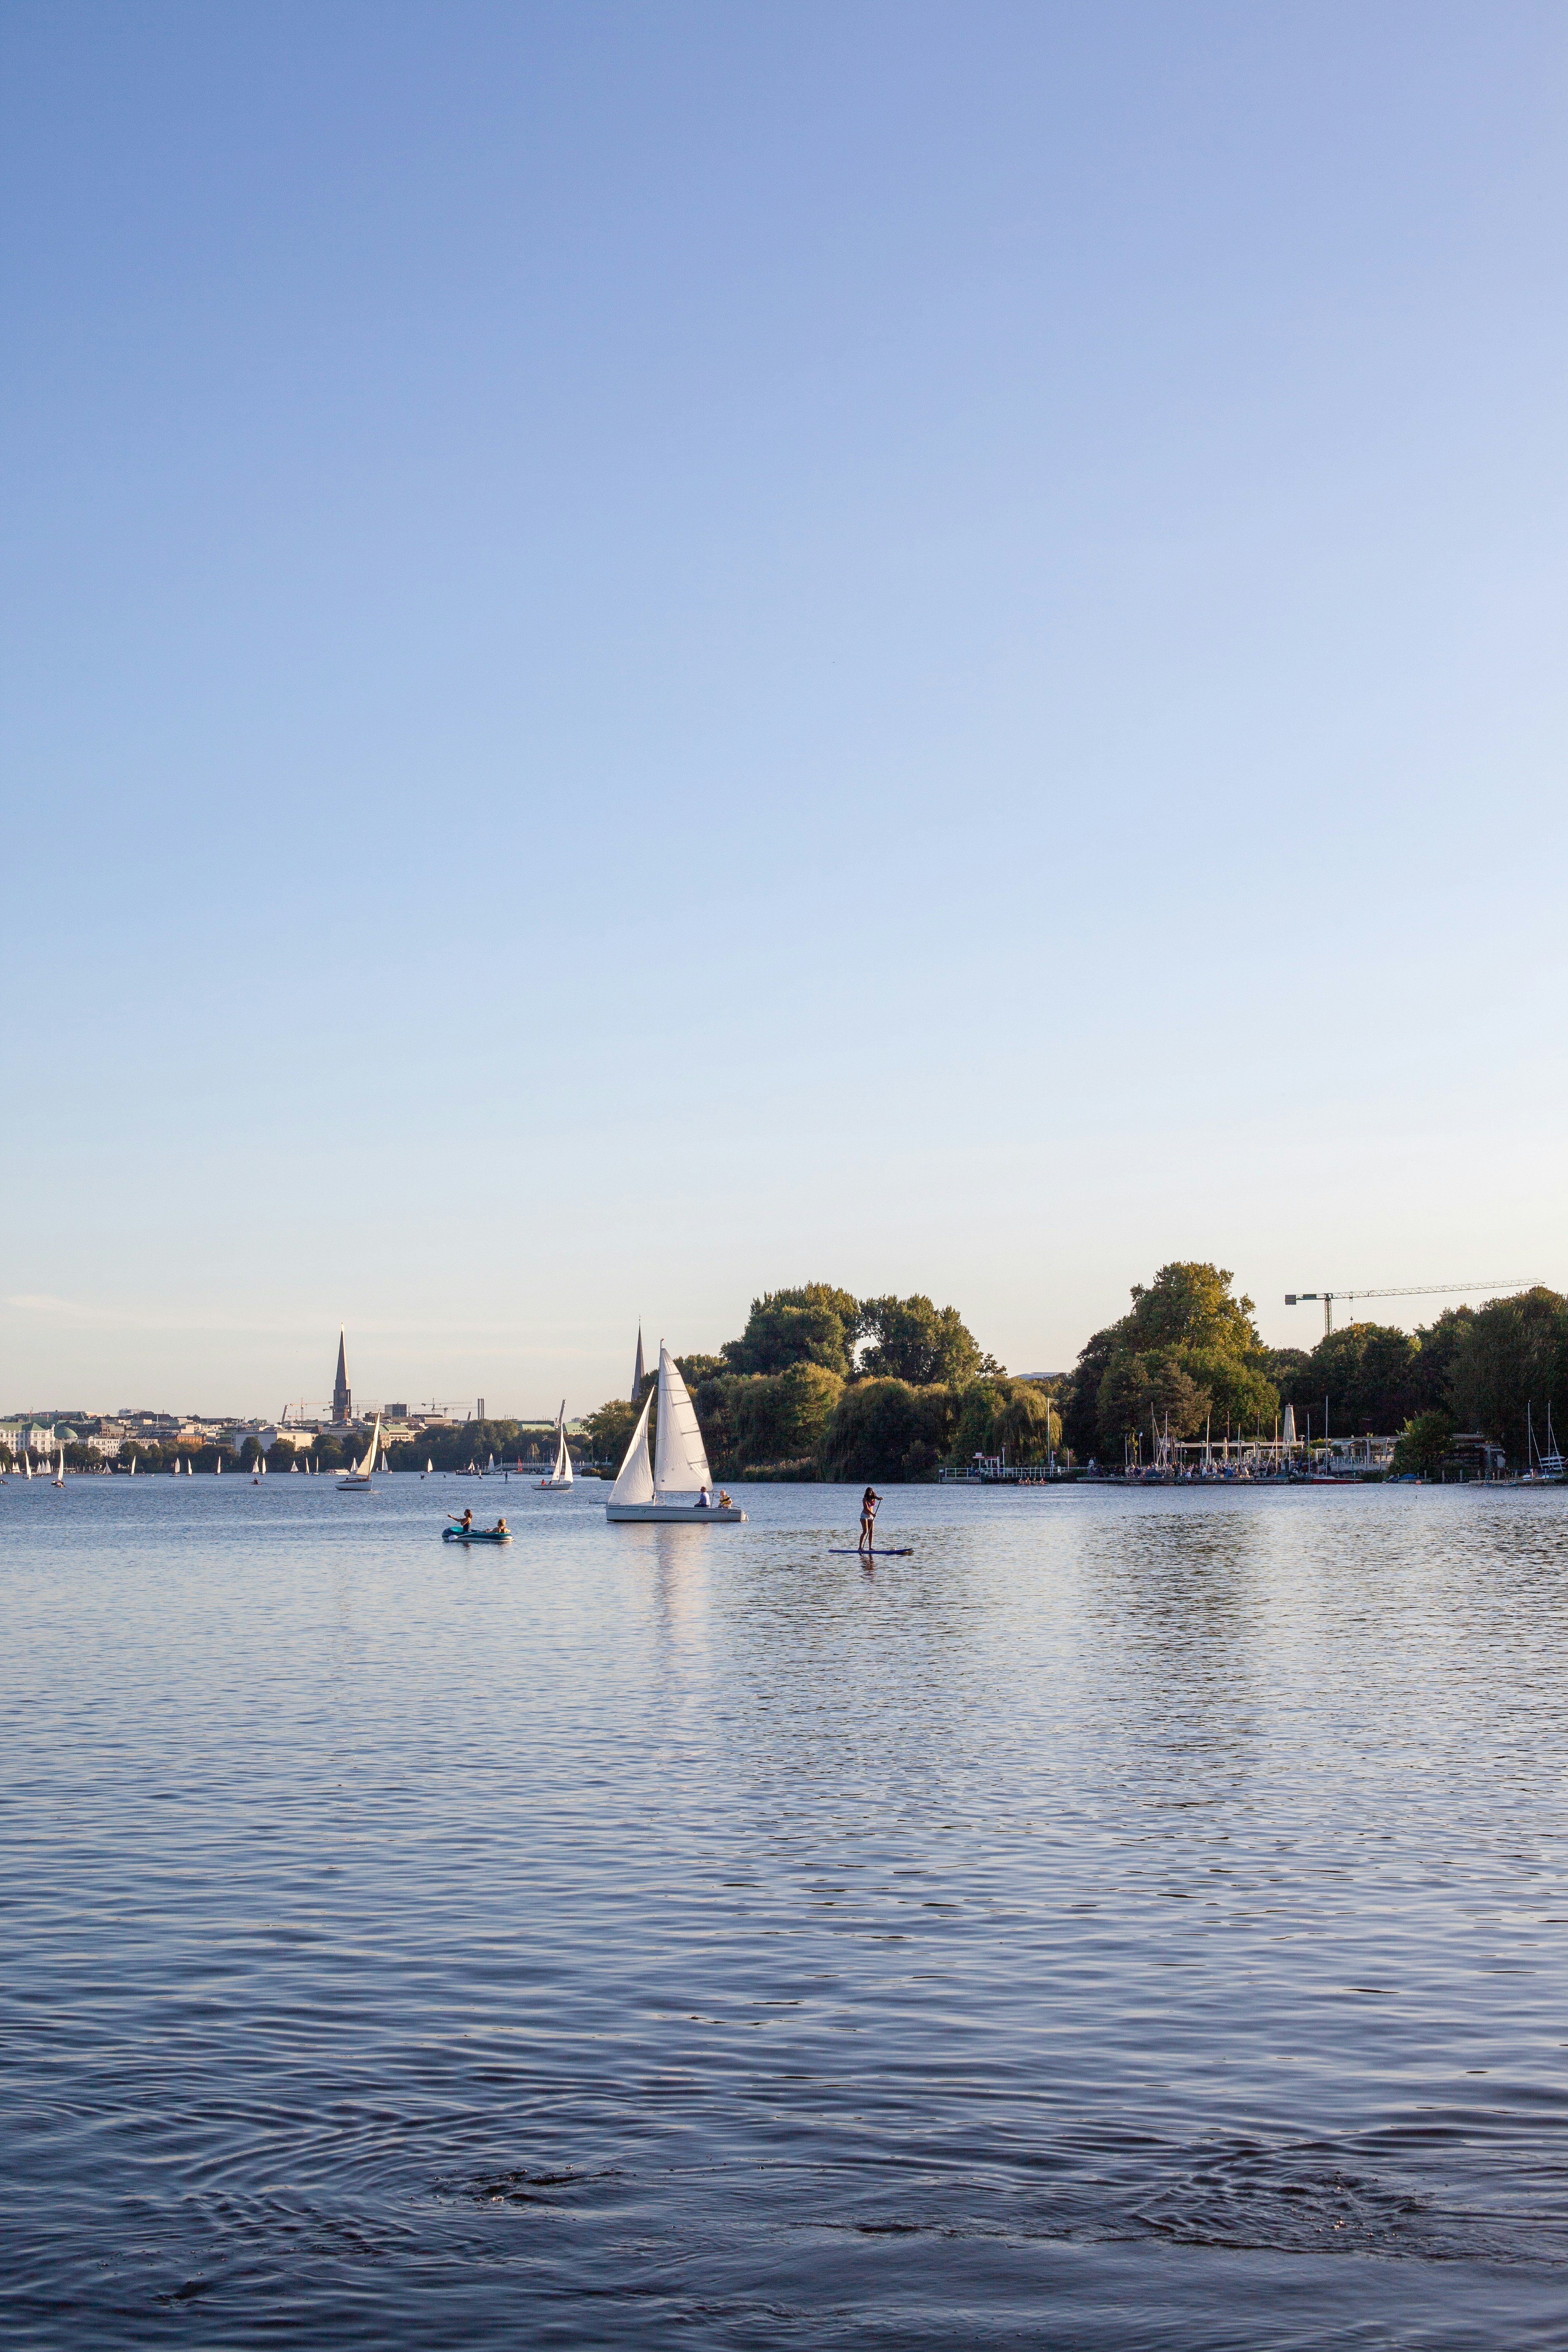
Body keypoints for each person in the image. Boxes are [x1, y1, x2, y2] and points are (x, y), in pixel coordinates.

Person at [859, 1486, 880, 1554]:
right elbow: (866, 1509)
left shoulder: (873, 1498)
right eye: (868, 1493)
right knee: (865, 1531)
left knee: (871, 1532)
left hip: (871, 1517)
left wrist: (880, 1498)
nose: (870, 1494)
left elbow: (878, 1498)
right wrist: (873, 1514)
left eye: (871, 1493)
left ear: (872, 1493)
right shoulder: (864, 1499)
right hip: (864, 1516)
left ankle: (870, 1548)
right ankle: (860, 1547)